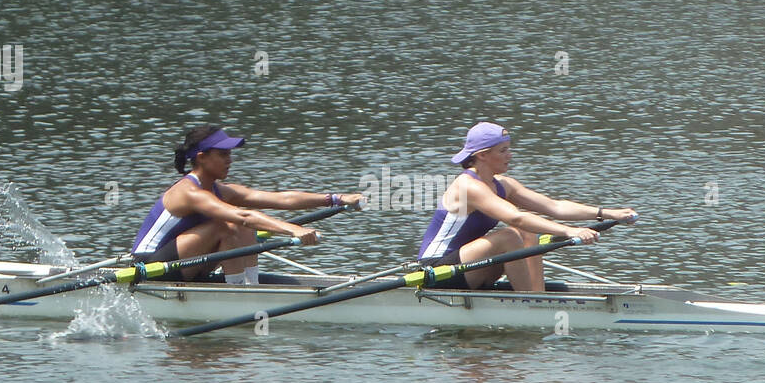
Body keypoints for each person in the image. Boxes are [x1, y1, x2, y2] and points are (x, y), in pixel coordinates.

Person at [417, 122, 637, 292]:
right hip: (437, 271)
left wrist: (607, 213)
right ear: (482, 155)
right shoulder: (468, 186)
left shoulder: (504, 184)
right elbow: (516, 218)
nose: (510, 156)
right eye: (503, 151)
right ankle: (529, 303)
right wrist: (569, 231)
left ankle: (537, 296)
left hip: (468, 268)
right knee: (510, 236)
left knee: (527, 231)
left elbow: (555, 207)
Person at [132, 124, 364, 283]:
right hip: (150, 268)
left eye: (230, 154)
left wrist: (336, 199)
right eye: (223, 154)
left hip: (185, 264)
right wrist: (292, 229)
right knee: (229, 223)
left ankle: (248, 287)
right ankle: (239, 295)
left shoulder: (219, 189)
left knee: (240, 223)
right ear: (201, 157)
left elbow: (281, 198)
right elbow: (243, 216)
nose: (229, 160)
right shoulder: (188, 191)